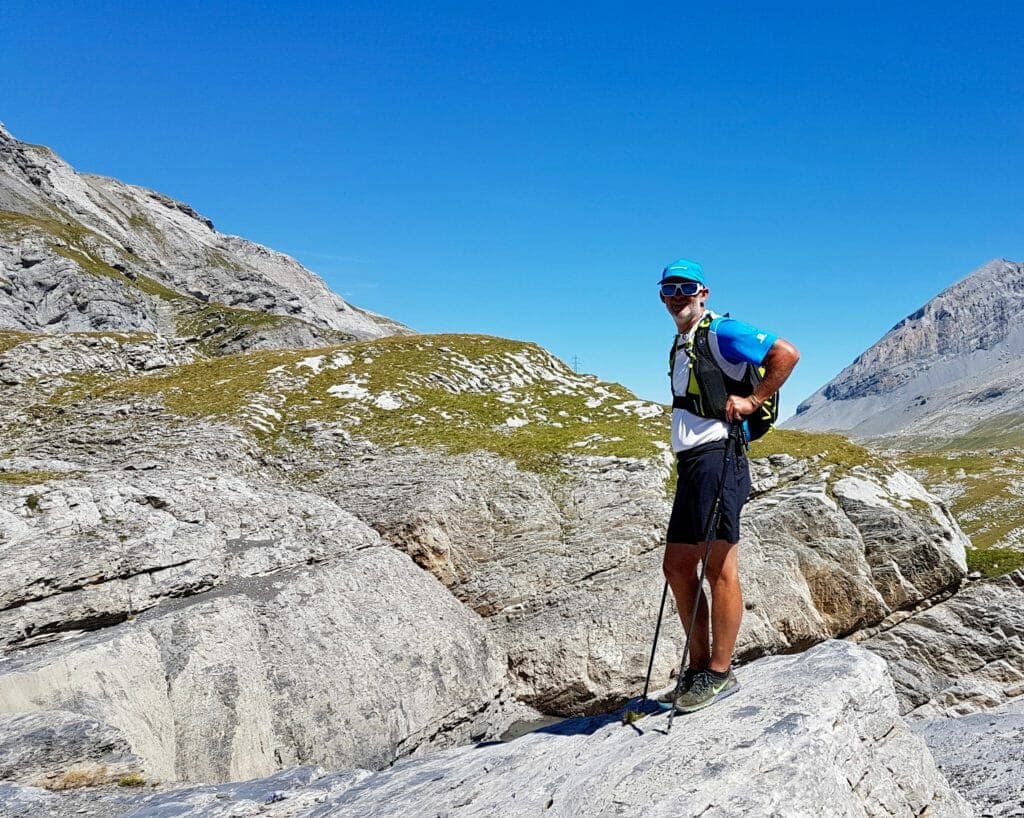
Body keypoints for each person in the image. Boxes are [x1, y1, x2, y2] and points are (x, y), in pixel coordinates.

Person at [657, 257, 799, 713]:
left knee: (719, 567)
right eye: (669, 289)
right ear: (662, 296)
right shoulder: (682, 342)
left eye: (686, 288)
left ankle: (719, 673)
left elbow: (786, 353)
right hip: (694, 462)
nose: (678, 296)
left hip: (721, 456)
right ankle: (698, 668)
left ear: (704, 292)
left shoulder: (721, 332)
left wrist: (754, 399)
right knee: (677, 566)